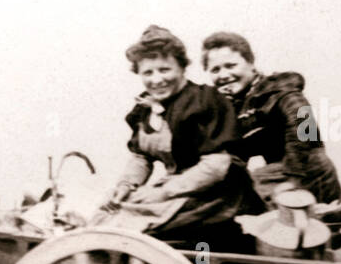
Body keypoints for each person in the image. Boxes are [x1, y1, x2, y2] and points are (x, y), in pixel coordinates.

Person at [96, 25, 261, 245]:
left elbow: (216, 165)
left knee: (128, 227)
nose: (157, 80)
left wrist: (165, 192)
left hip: (217, 195)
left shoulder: (205, 100)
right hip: (178, 189)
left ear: (182, 68)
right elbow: (141, 157)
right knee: (109, 211)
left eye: (165, 70)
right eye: (148, 72)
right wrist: (126, 186)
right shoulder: (146, 108)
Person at [201, 31, 341, 225]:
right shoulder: (234, 107)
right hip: (277, 181)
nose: (224, 75)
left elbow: (307, 132)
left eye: (230, 66)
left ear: (251, 64)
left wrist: (292, 182)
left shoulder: (282, 91)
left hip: (308, 174)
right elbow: (233, 158)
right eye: (215, 70)